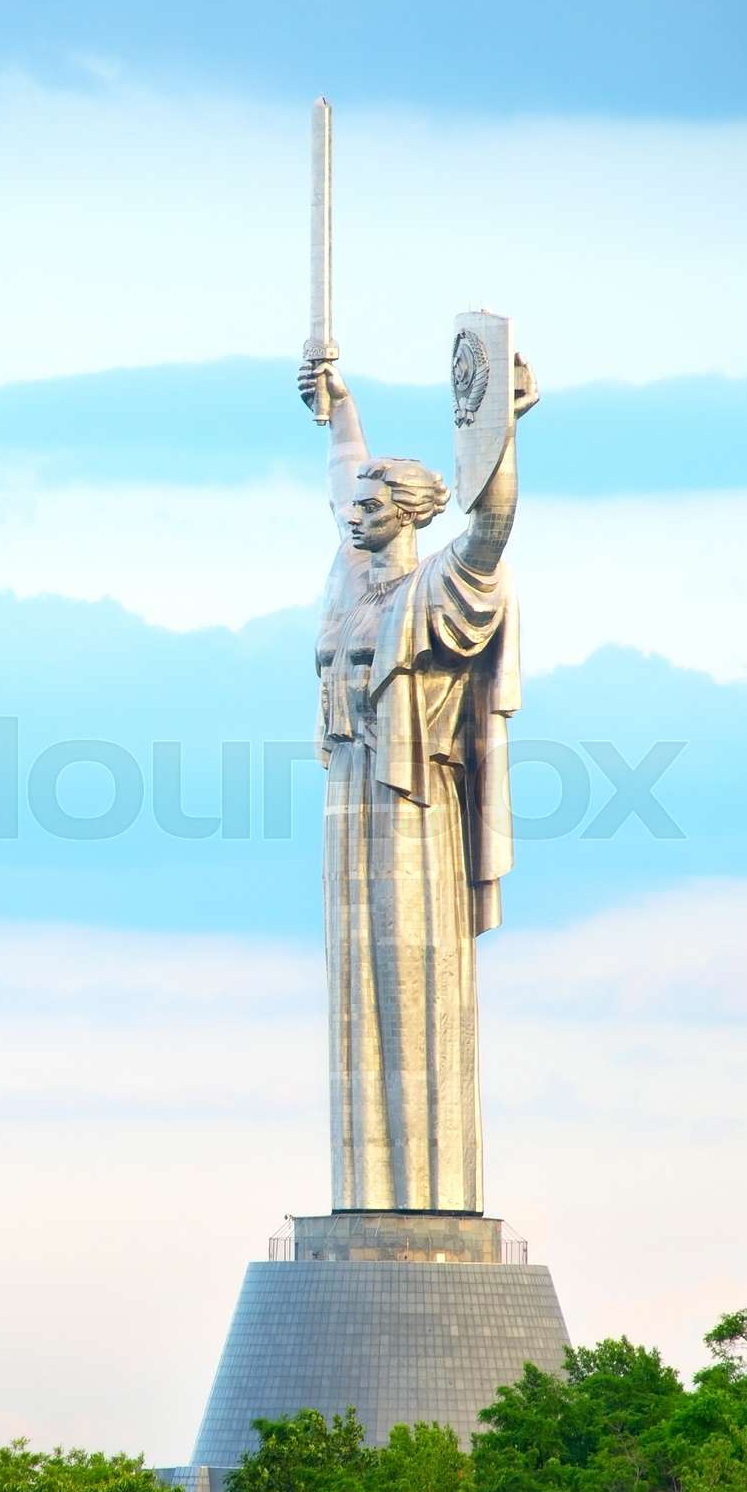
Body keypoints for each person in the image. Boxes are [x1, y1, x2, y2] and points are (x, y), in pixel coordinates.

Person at [297, 351, 538, 1213]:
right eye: (352, 507)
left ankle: (428, 1204)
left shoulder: (442, 584)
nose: (350, 517)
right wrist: (340, 408)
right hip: (351, 794)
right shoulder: (351, 575)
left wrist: (501, 432)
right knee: (353, 983)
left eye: (369, 508)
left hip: (414, 805)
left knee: (411, 986)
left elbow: (492, 523)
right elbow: (338, 479)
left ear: (406, 516)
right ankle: (364, 1200)